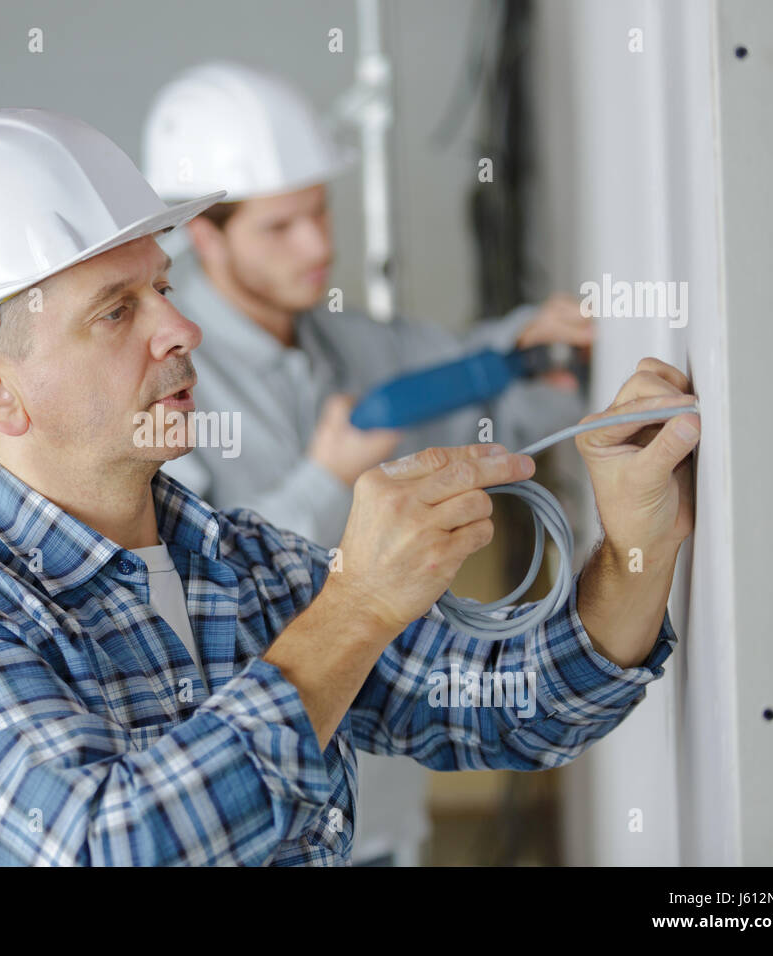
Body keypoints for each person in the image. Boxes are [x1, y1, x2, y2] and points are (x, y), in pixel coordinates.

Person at [0, 107, 699, 866]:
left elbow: (522, 705)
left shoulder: (247, 568)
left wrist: (637, 540)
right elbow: (109, 848)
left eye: (163, 289)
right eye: (116, 311)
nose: (182, 328)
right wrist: (356, 608)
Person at [143, 60, 595, 864]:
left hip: (382, 809)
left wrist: (544, 348)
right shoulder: (162, 388)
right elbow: (183, 597)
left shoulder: (356, 347)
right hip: (265, 831)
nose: (318, 245)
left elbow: (498, 396)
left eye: (319, 211)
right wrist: (327, 478)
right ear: (204, 234)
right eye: (280, 228)